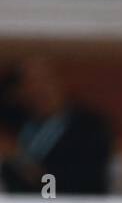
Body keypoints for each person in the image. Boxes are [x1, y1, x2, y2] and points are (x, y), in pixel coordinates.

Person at [0, 58, 112, 195]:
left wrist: (26, 167)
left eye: (44, 80)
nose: (39, 89)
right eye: (29, 82)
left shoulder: (88, 128)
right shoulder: (19, 122)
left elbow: (81, 182)